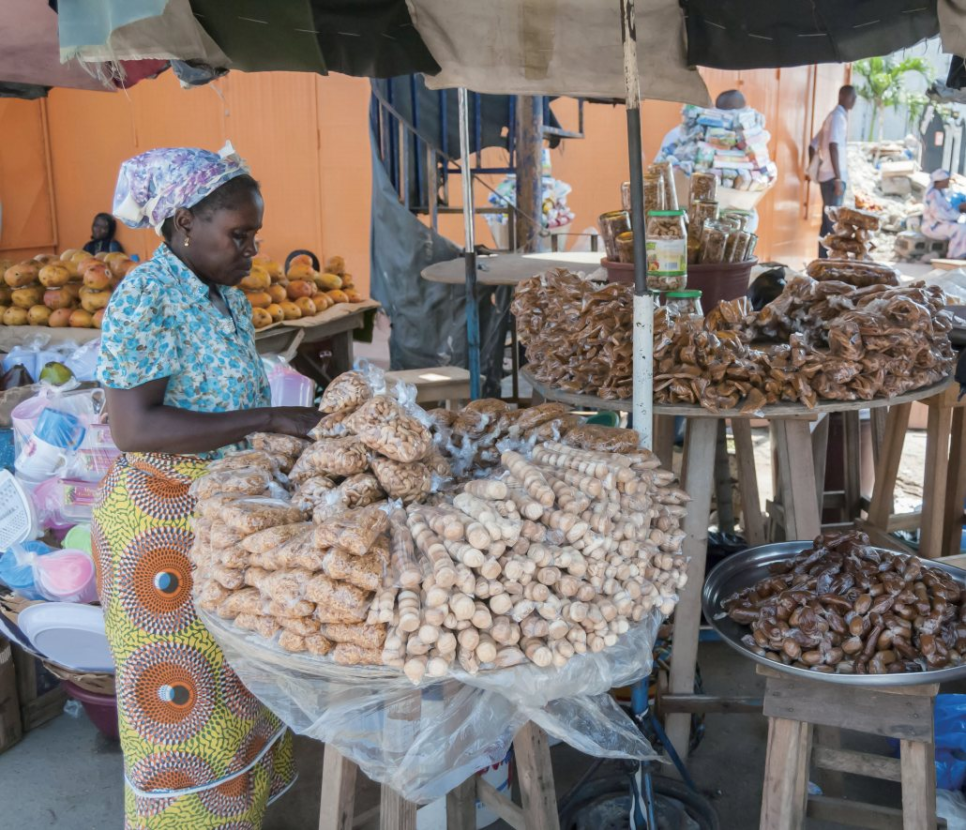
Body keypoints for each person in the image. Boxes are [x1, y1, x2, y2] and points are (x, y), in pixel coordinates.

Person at [93, 146, 321, 828]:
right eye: (239, 235)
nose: (253, 248)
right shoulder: (147, 296)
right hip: (161, 529)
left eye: (255, 234)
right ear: (187, 221)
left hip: (219, 518)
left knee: (236, 695)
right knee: (185, 712)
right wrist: (271, 416)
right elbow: (133, 427)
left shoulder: (222, 294)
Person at [808, 85, 857, 258]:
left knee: (827, 222)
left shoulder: (832, 117)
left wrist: (817, 166)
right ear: (844, 96)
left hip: (826, 176)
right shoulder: (837, 117)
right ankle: (830, 262)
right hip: (833, 178)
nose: (854, 101)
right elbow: (833, 145)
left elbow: (813, 145)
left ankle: (823, 260)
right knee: (834, 223)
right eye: (853, 97)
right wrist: (838, 178)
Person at [922, 168, 966, 257]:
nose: (948, 182)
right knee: (960, 229)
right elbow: (940, 215)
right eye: (946, 180)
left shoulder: (941, 193)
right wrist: (956, 214)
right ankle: (954, 256)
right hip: (933, 226)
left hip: (941, 223)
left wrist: (959, 209)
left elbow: (948, 210)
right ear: (940, 181)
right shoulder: (932, 196)